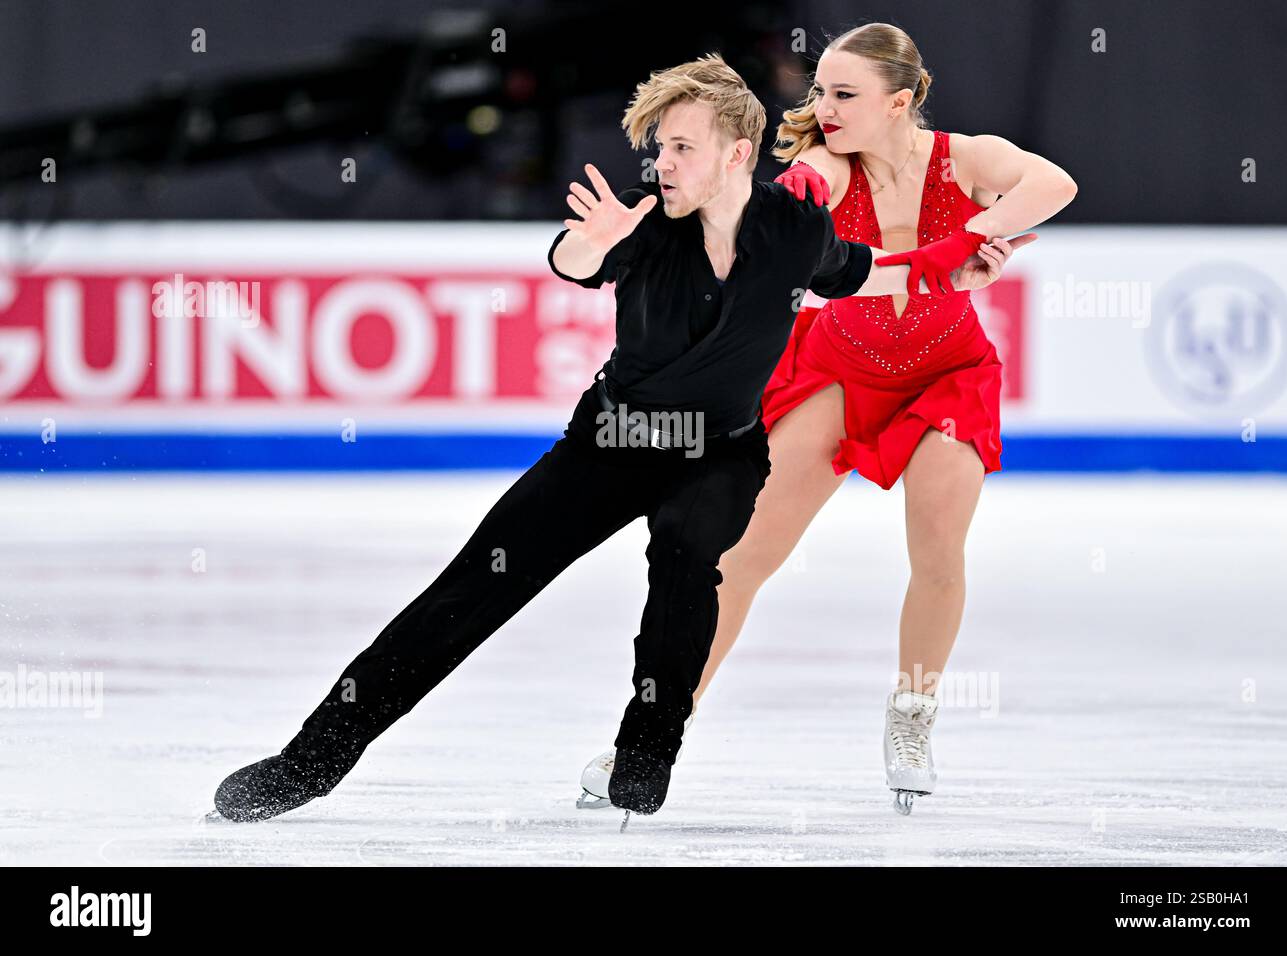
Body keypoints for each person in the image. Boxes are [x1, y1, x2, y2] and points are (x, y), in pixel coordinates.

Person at [212, 53, 1025, 825]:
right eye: (658, 147)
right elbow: (574, 260)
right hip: (608, 445)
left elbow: (867, 269)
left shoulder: (792, 231)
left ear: (738, 154)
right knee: (466, 594)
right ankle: (308, 761)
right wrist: (586, 245)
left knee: (685, 555)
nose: (662, 164)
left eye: (681, 147)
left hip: (717, 457)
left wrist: (953, 266)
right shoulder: (640, 227)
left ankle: (647, 750)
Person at [579, 24, 1071, 816]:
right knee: (737, 558)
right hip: (837, 374)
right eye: (820, 93)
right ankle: (657, 729)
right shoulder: (825, 168)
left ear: (899, 102)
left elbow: (1053, 183)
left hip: (947, 373)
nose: (822, 108)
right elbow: (794, 198)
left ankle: (911, 718)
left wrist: (970, 239)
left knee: (939, 550)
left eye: (844, 94)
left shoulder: (966, 158)